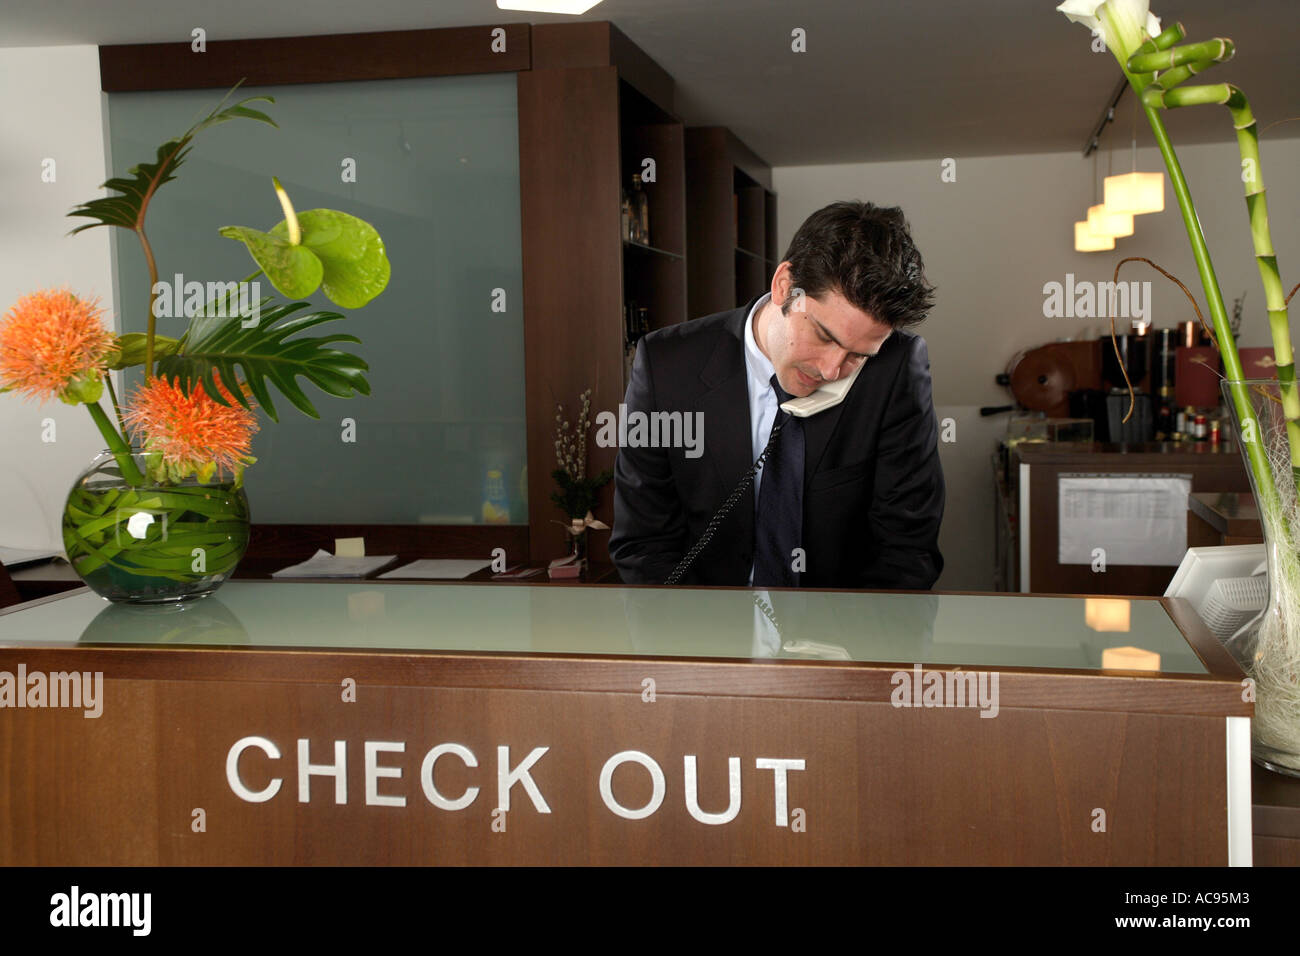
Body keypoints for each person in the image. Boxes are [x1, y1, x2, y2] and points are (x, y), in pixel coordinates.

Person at [609, 200, 944, 589]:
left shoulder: (896, 368)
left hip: (843, 636)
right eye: (824, 336)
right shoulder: (665, 365)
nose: (831, 370)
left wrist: (849, 649)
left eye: (857, 356)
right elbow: (643, 545)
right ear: (785, 286)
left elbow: (907, 552)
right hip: (703, 632)